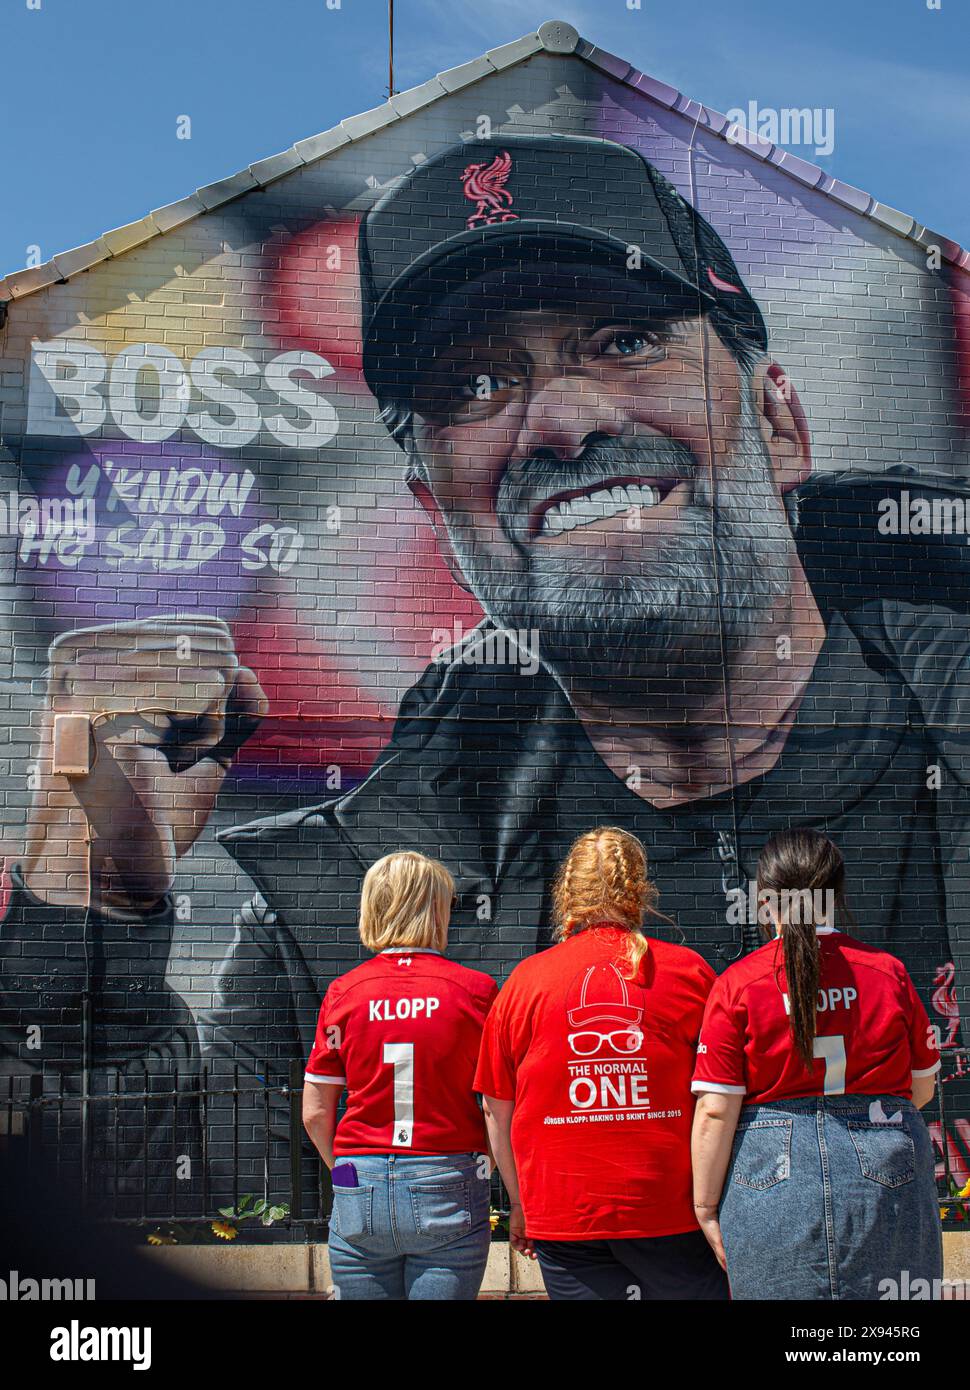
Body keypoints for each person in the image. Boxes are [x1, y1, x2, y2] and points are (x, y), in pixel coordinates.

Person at [6, 133, 969, 1198]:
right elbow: (170, 1203)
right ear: (438, 513)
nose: (560, 419)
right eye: (475, 384)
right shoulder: (361, 906)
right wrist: (85, 917)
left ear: (782, 423)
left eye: (625, 339)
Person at [474, 826, 728, 1300]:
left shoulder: (524, 983)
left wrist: (520, 1203)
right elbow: (723, 1096)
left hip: (565, 1211)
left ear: (566, 894)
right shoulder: (690, 973)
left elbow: (495, 1109)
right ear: (640, 890)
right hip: (670, 1208)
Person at [691, 828, 943, 1300]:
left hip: (770, 1165)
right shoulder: (887, 972)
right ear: (838, 894)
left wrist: (704, 1206)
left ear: (765, 900)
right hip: (883, 1153)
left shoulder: (738, 983)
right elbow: (922, 1089)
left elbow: (715, 1110)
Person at [302, 850, 496, 1300]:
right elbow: (493, 1104)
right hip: (446, 1174)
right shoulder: (477, 992)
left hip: (359, 1175)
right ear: (438, 909)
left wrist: (349, 1174)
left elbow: (314, 1112)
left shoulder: (344, 992)